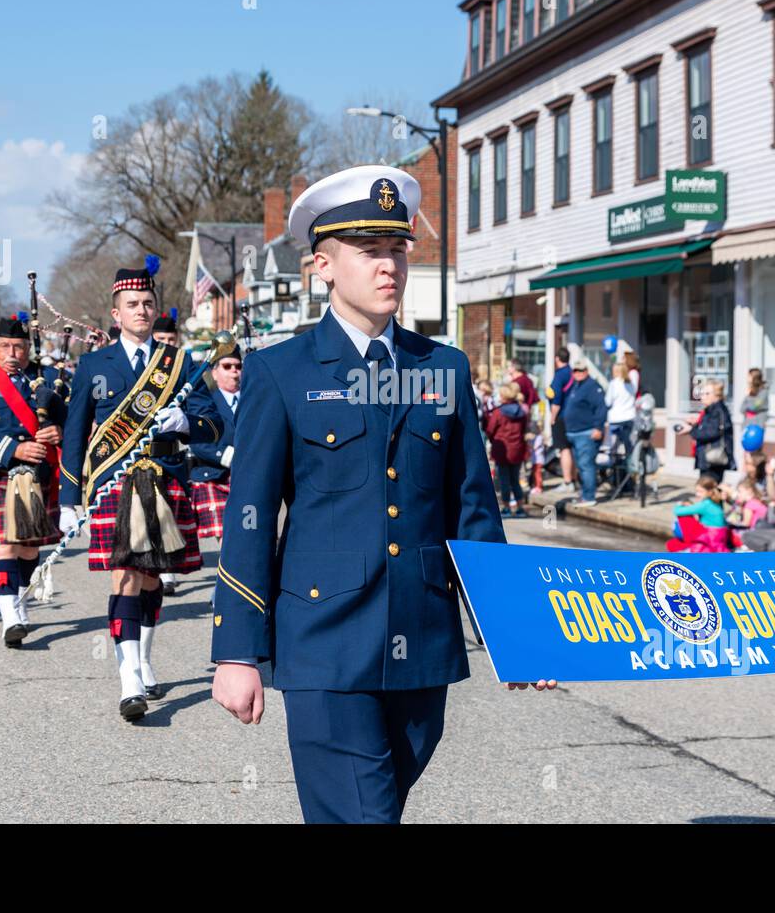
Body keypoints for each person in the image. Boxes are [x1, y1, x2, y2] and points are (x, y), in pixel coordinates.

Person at [210, 165, 551, 825]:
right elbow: (248, 516)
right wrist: (235, 648)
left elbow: (472, 510)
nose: (389, 265)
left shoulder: (442, 367)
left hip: (421, 645)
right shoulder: (281, 372)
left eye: (397, 249)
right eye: (369, 251)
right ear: (323, 266)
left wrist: (516, 630)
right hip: (324, 647)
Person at [59, 255, 223, 721]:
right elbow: (74, 437)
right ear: (116, 313)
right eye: (132, 303)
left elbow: (217, 427)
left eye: (148, 303)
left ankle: (145, 656)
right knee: (126, 576)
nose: (142, 310)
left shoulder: (178, 363)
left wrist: (186, 421)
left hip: (165, 483)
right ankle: (128, 674)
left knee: (151, 579)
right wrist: (68, 500)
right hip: (116, 483)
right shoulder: (93, 365)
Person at [0, 317, 66, 647]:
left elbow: (69, 416)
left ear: (27, 349)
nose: (11, 353)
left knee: (28, 545)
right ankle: (10, 617)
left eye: (18, 347)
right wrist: (16, 448)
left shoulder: (47, 377)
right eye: (4, 347)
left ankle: (20, 604)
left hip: (37, 471)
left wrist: (58, 431)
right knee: (5, 543)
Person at [188, 347, 241, 557]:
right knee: (228, 539)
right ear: (214, 372)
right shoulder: (206, 402)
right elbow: (197, 441)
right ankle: (227, 584)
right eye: (227, 366)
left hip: (247, 475)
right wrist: (227, 456)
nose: (234, 371)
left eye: (238, 366)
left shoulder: (254, 400)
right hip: (214, 475)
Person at [561, 360, 607, 508]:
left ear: (586, 371)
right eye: (575, 371)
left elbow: (601, 408)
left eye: (580, 371)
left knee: (586, 465)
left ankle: (589, 496)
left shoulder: (592, 387)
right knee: (581, 465)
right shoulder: (576, 386)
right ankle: (584, 494)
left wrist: (598, 428)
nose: (578, 374)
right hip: (574, 432)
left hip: (586, 433)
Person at [485, 382, 529, 518]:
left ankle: (507, 507)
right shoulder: (522, 411)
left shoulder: (498, 412)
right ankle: (520, 507)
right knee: (515, 479)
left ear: (503, 397)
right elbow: (524, 429)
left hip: (502, 449)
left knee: (504, 480)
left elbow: (490, 430)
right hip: (517, 448)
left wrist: (493, 440)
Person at [685, 378, 734, 484]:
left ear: (717, 395)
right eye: (702, 393)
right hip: (708, 459)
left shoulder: (718, 410)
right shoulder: (710, 410)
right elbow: (708, 428)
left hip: (713, 459)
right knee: (709, 491)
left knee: (710, 491)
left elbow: (709, 433)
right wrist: (696, 424)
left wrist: (691, 430)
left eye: (707, 393)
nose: (703, 396)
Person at [666, 476, 729, 553]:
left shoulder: (704, 505)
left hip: (710, 538)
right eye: (696, 491)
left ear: (709, 492)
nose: (697, 494)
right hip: (721, 535)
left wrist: (680, 504)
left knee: (684, 518)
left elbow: (677, 511)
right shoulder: (716, 501)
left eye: (700, 491)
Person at [546, 349, 576, 493]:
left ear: (557, 359)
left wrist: (552, 417)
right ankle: (575, 479)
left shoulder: (560, 374)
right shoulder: (572, 372)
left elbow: (556, 399)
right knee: (572, 449)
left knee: (564, 449)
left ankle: (567, 481)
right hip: (573, 416)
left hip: (561, 416)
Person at [605, 354, 637, 461]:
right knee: (628, 445)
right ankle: (629, 466)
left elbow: (608, 401)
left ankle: (614, 467)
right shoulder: (630, 384)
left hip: (616, 418)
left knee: (613, 447)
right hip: (629, 417)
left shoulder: (613, 384)